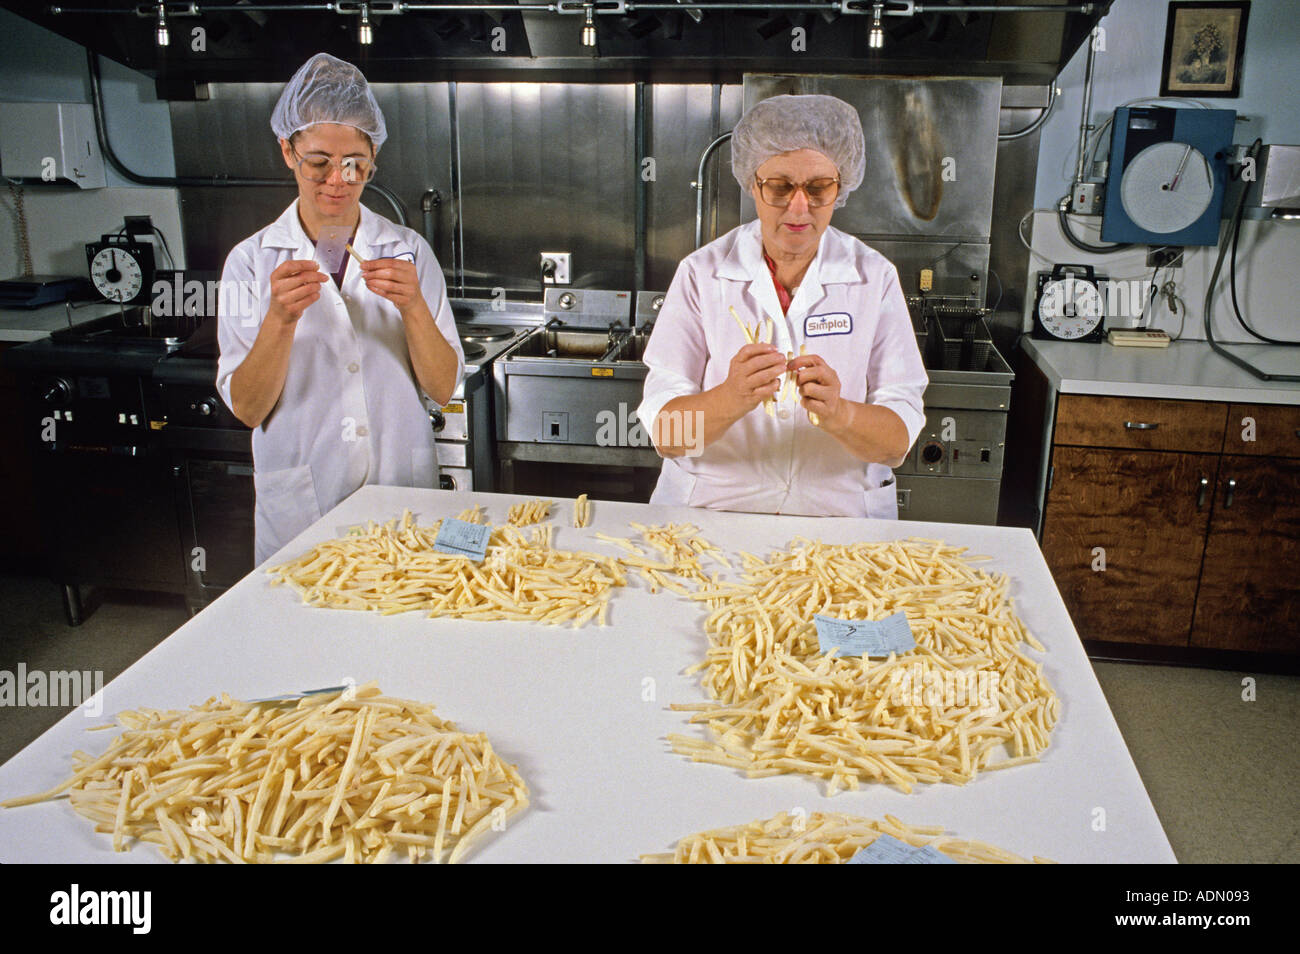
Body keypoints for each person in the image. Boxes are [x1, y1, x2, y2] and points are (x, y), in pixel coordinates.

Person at [217, 53, 463, 563]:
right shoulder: (249, 263)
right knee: (306, 635)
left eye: (354, 162)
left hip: (404, 504)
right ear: (288, 151)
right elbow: (247, 409)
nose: (338, 179)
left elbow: (443, 389)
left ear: (373, 160)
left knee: (404, 628)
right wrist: (279, 321)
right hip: (305, 511)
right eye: (318, 162)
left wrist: (414, 306)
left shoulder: (409, 251)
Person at [636, 93, 927, 519]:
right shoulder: (702, 274)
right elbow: (667, 435)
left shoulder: (873, 277)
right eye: (779, 187)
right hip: (711, 519)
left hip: (837, 526)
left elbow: (897, 443)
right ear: (753, 184)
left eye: (818, 188)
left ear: (839, 187)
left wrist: (840, 413)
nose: (798, 207)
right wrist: (731, 397)